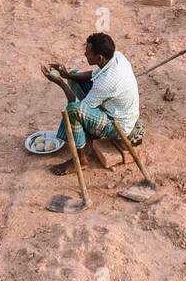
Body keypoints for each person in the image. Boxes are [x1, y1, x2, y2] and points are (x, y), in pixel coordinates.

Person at [41, 33, 142, 176]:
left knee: (73, 111)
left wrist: (60, 83)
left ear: (99, 57)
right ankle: (88, 131)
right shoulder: (117, 57)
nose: (85, 54)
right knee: (75, 75)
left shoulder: (106, 83)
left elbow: (78, 107)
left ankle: (81, 160)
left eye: (88, 52)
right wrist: (67, 75)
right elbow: (94, 74)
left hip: (117, 124)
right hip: (113, 107)